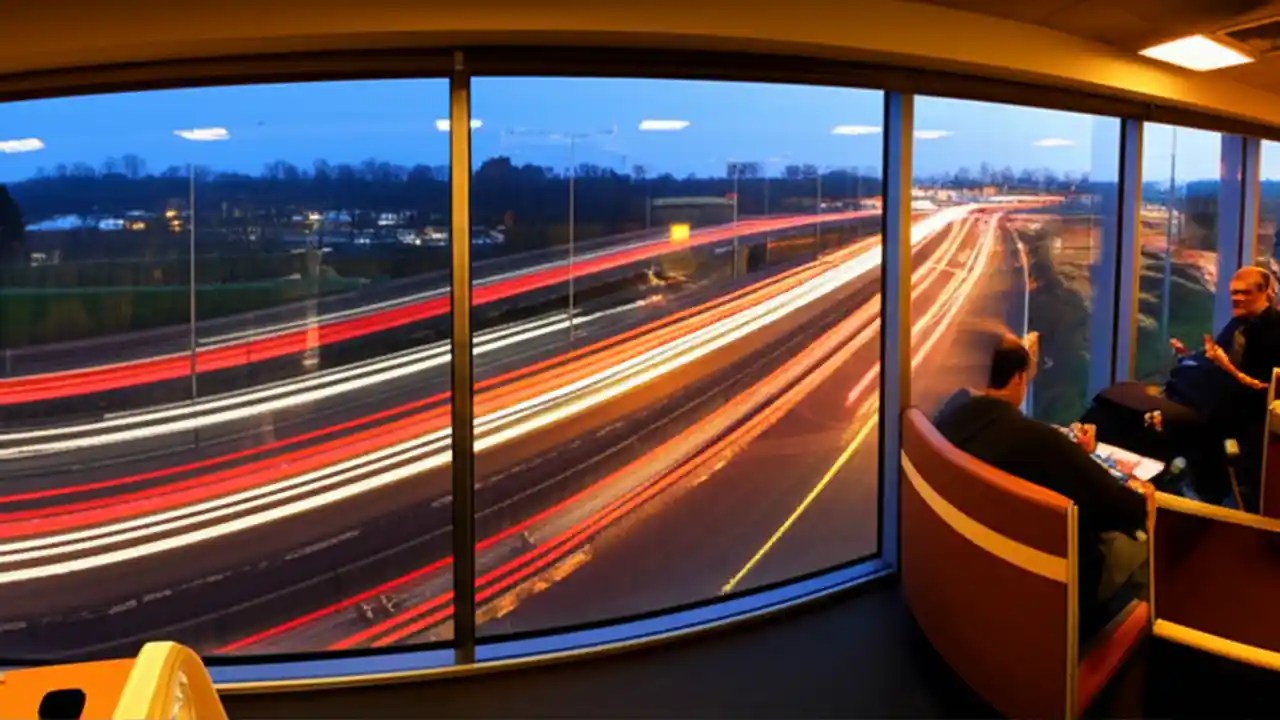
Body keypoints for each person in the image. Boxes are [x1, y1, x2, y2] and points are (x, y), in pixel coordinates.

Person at [934, 330, 1154, 637]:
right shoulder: (1041, 443)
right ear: (1018, 378)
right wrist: (1132, 483)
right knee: (1142, 540)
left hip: (979, 559)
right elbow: (1123, 509)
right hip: (1051, 577)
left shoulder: (949, 417)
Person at [1164, 266, 1280, 509]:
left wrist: (1226, 367)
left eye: (1245, 293)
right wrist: (1189, 355)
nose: (1237, 298)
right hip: (1219, 395)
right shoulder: (1237, 323)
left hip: (1244, 408)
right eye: (1234, 292)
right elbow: (1215, 358)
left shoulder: (1274, 331)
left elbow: (1264, 388)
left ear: (1265, 293)